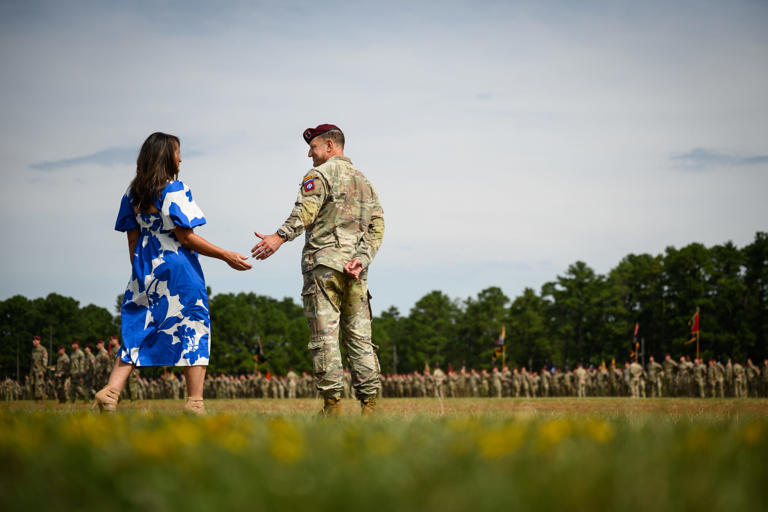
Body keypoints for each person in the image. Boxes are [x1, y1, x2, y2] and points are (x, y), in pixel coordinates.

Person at [95, 132, 252, 414]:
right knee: (194, 324)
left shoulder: (131, 195)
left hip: (145, 267)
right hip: (178, 268)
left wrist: (140, 271)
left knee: (139, 327)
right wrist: (226, 255)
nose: (181, 158)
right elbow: (186, 237)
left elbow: (132, 238)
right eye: (177, 152)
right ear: (167, 157)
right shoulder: (175, 189)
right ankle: (194, 402)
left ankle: (110, 392)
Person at [251, 124, 384, 416]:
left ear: (329, 146)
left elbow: (305, 212)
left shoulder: (319, 175)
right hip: (356, 272)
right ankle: (370, 409)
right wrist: (361, 258)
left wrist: (279, 236)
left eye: (313, 147)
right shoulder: (366, 183)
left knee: (325, 337)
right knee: (360, 339)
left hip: (324, 267)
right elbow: (377, 228)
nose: (309, 154)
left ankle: (333, 409)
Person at [29, 335, 48, 401]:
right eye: (33, 340)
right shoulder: (33, 350)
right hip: (33, 370)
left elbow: (45, 360)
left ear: (39, 341)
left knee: (39, 385)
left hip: (39, 370)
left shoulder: (43, 349)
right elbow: (32, 362)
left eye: (35, 340)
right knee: (33, 385)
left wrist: (42, 370)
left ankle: (41, 399)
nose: (33, 341)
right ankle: (36, 400)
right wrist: (30, 373)